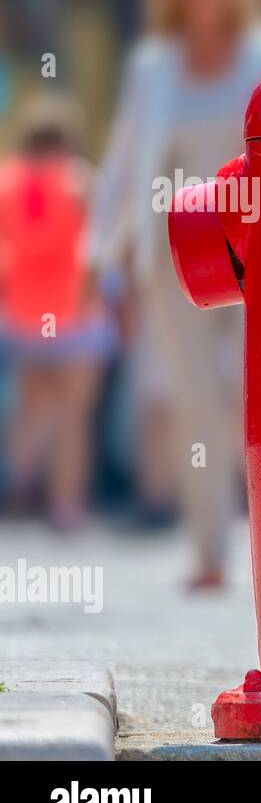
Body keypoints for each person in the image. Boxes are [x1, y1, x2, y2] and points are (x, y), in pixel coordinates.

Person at [85, 0, 261, 588]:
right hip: (176, 256)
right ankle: (210, 551)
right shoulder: (152, 66)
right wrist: (102, 257)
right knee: (192, 402)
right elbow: (126, 165)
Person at [0, 95, 114, 530]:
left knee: (32, 405)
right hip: (76, 312)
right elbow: (98, 247)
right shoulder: (80, 180)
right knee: (74, 416)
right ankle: (66, 508)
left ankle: (19, 479)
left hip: (24, 314)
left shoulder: (7, 181)